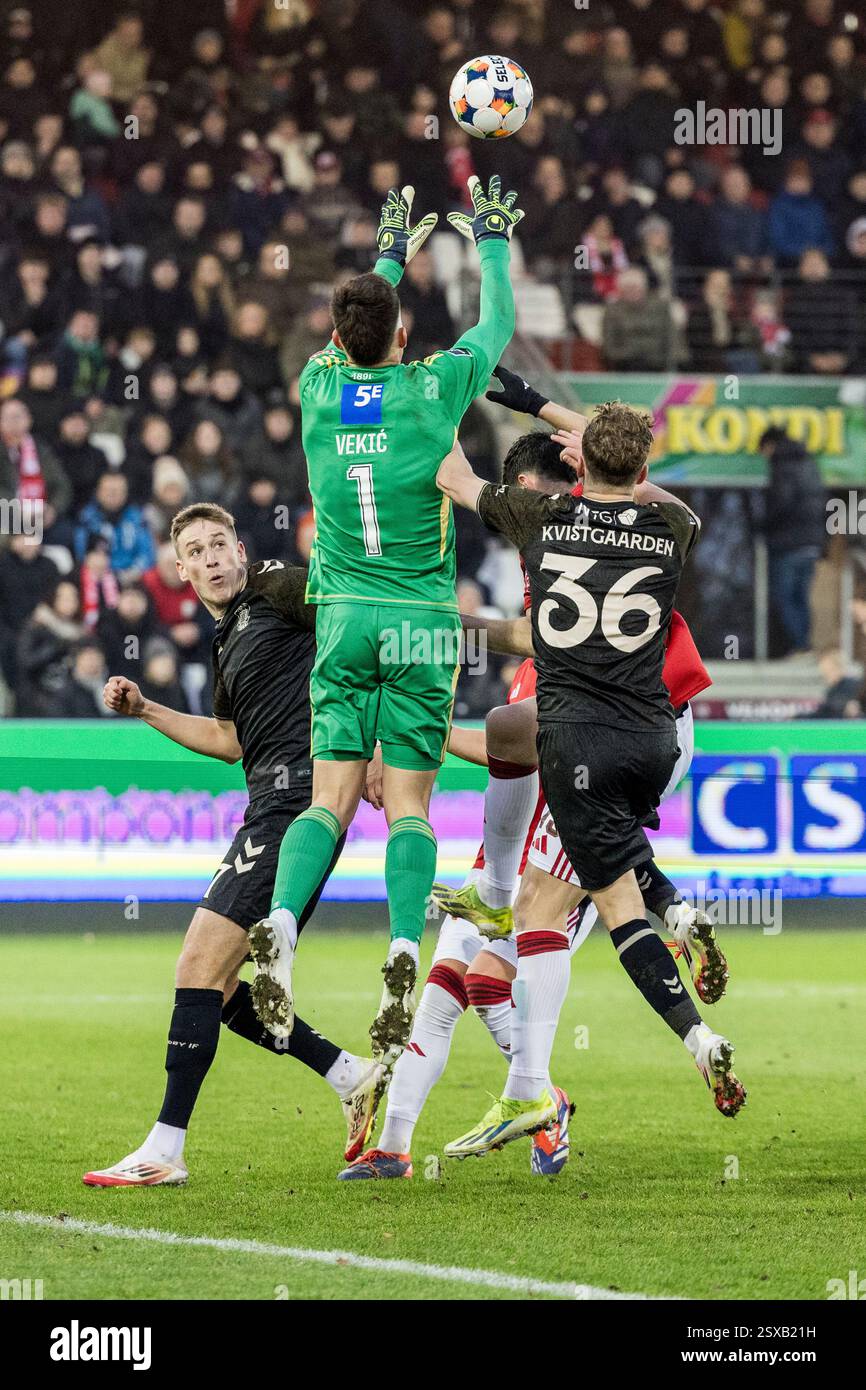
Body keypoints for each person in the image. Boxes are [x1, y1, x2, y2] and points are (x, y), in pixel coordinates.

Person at [247, 178, 521, 1074]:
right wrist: (488, 238)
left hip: (344, 615)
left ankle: (282, 923)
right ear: (404, 335)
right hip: (418, 621)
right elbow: (497, 328)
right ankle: (406, 947)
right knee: (408, 806)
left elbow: (359, 316)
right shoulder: (432, 390)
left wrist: (389, 248)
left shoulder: (317, 389)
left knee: (328, 800)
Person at [435, 399, 745, 1158]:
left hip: (577, 740)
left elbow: (454, 476)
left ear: (577, 466)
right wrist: (604, 457)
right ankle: (682, 978)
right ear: (639, 469)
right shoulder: (672, 528)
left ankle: (530, 1089)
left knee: (556, 904)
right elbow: (658, 496)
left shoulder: (541, 518)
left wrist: (436, 398)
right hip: (653, 739)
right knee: (607, 884)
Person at [82, 502, 386, 1187]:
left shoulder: (277, 584)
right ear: (182, 569)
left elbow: (357, 630)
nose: (213, 557)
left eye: (221, 543)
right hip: (270, 805)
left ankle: (164, 1149)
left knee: (196, 963)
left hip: (300, 806)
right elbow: (229, 743)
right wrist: (147, 711)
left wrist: (370, 745)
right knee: (216, 988)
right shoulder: (228, 640)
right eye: (197, 549)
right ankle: (351, 1075)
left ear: (241, 551)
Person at [759, 426, 827, 656]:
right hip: (811, 543)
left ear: (770, 445)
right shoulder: (809, 464)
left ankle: (801, 646)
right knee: (801, 596)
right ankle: (804, 646)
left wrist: (763, 526)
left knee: (784, 597)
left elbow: (781, 503)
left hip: (788, 544)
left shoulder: (782, 466)